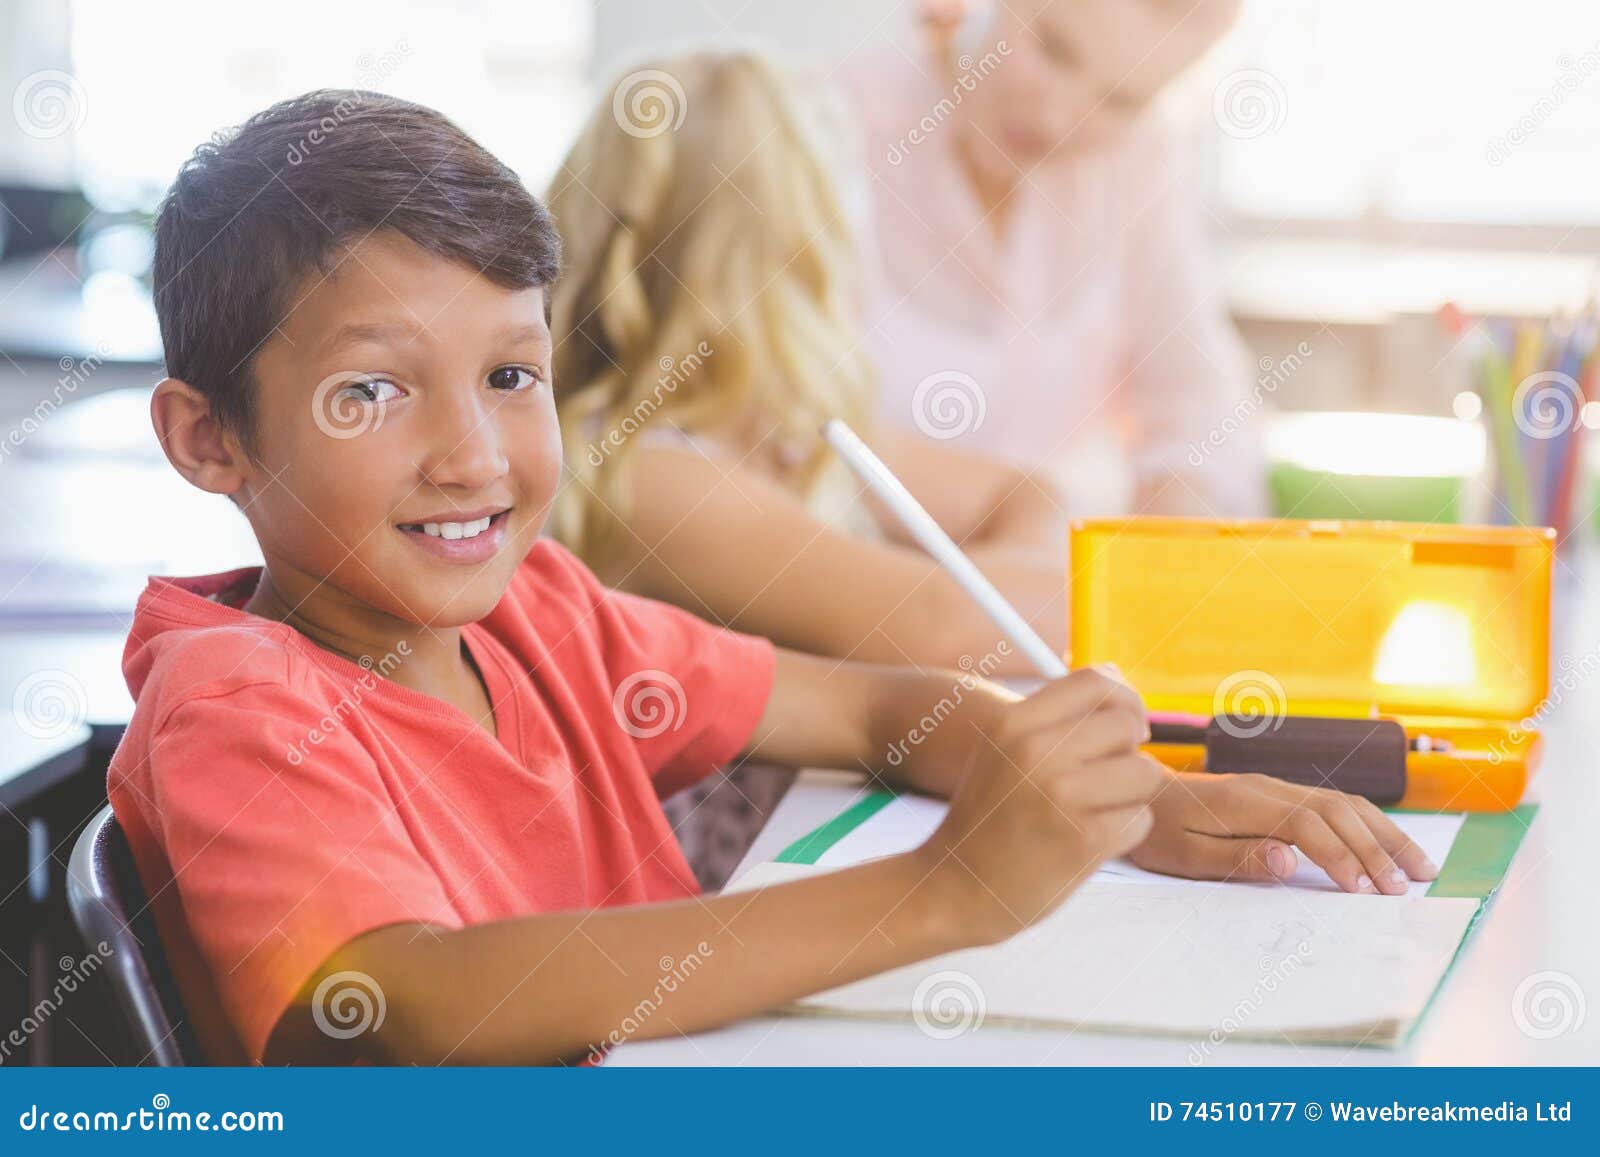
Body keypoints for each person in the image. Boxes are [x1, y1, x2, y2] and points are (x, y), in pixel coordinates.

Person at [109, 89, 1434, 1066]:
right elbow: (408, 1006)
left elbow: (867, 712)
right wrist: (942, 893)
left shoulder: (543, 611)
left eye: (512, 375)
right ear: (207, 437)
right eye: (374, 390)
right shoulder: (236, 705)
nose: (472, 455)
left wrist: (1131, 802)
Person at [550, 52, 1067, 676]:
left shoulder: (788, 429)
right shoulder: (650, 474)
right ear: (808, 245)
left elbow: (1027, 494)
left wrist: (986, 593)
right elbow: (939, 629)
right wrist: (989, 593)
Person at [841, 0, 1261, 516]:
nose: (1058, 117)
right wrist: (1016, 515)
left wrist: (1174, 534)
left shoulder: (1139, 162)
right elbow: (766, 438)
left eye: (1119, 100)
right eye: (1055, 50)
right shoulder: (840, 119)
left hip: (1039, 584)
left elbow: (1199, 412)